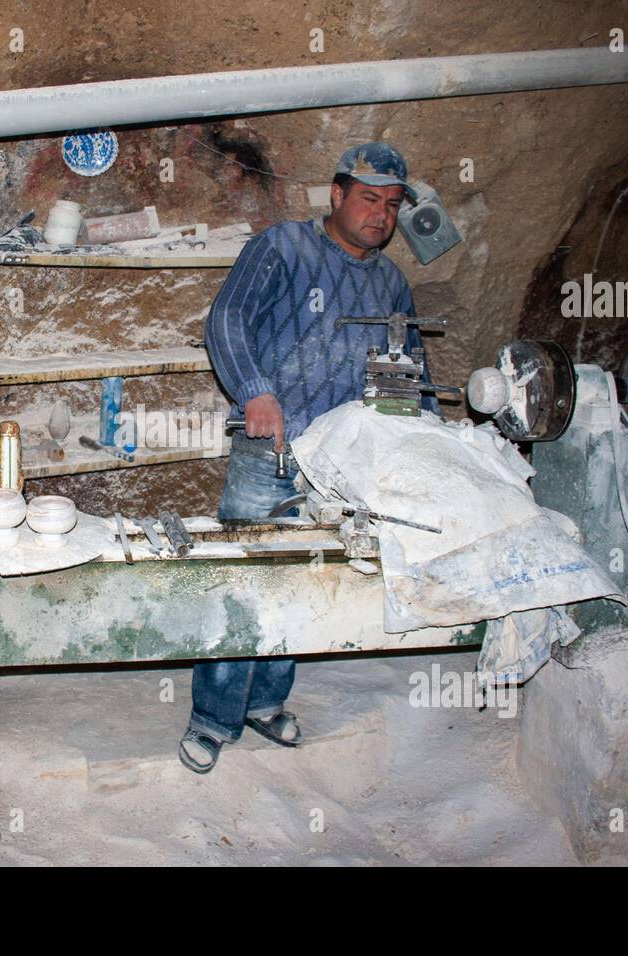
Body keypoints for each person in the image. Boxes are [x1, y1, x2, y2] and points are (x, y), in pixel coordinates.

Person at [179, 142, 439, 774]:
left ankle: (266, 703)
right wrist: (255, 390)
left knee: (306, 581)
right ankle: (212, 719)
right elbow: (229, 321)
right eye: (369, 199)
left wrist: (425, 433)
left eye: (392, 205)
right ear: (338, 195)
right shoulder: (283, 247)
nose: (381, 214)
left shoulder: (390, 282)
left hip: (342, 462)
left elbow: (408, 369)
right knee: (243, 581)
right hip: (272, 450)